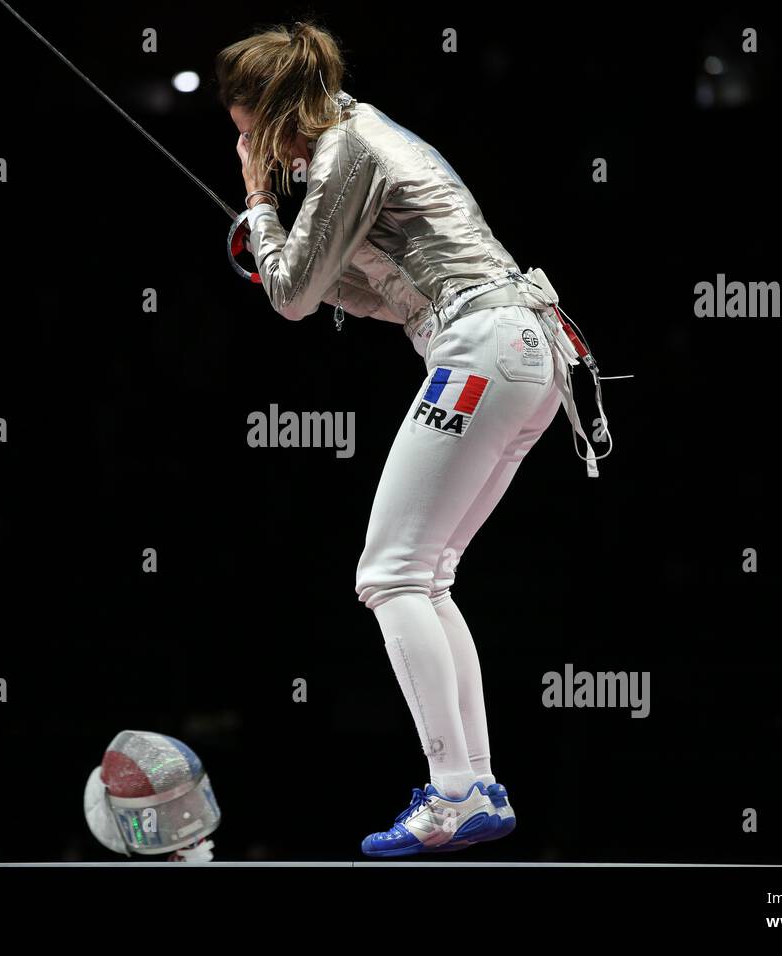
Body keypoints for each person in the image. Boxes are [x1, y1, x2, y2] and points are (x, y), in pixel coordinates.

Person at [216, 21, 574, 857]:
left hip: (485, 350)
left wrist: (262, 209)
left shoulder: (347, 150)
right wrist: (283, 254)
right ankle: (472, 786)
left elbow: (293, 297)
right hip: (525, 353)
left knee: (389, 574)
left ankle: (452, 792)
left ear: (272, 121)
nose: (254, 154)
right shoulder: (368, 136)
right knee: (429, 576)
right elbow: (381, 293)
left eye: (248, 138)